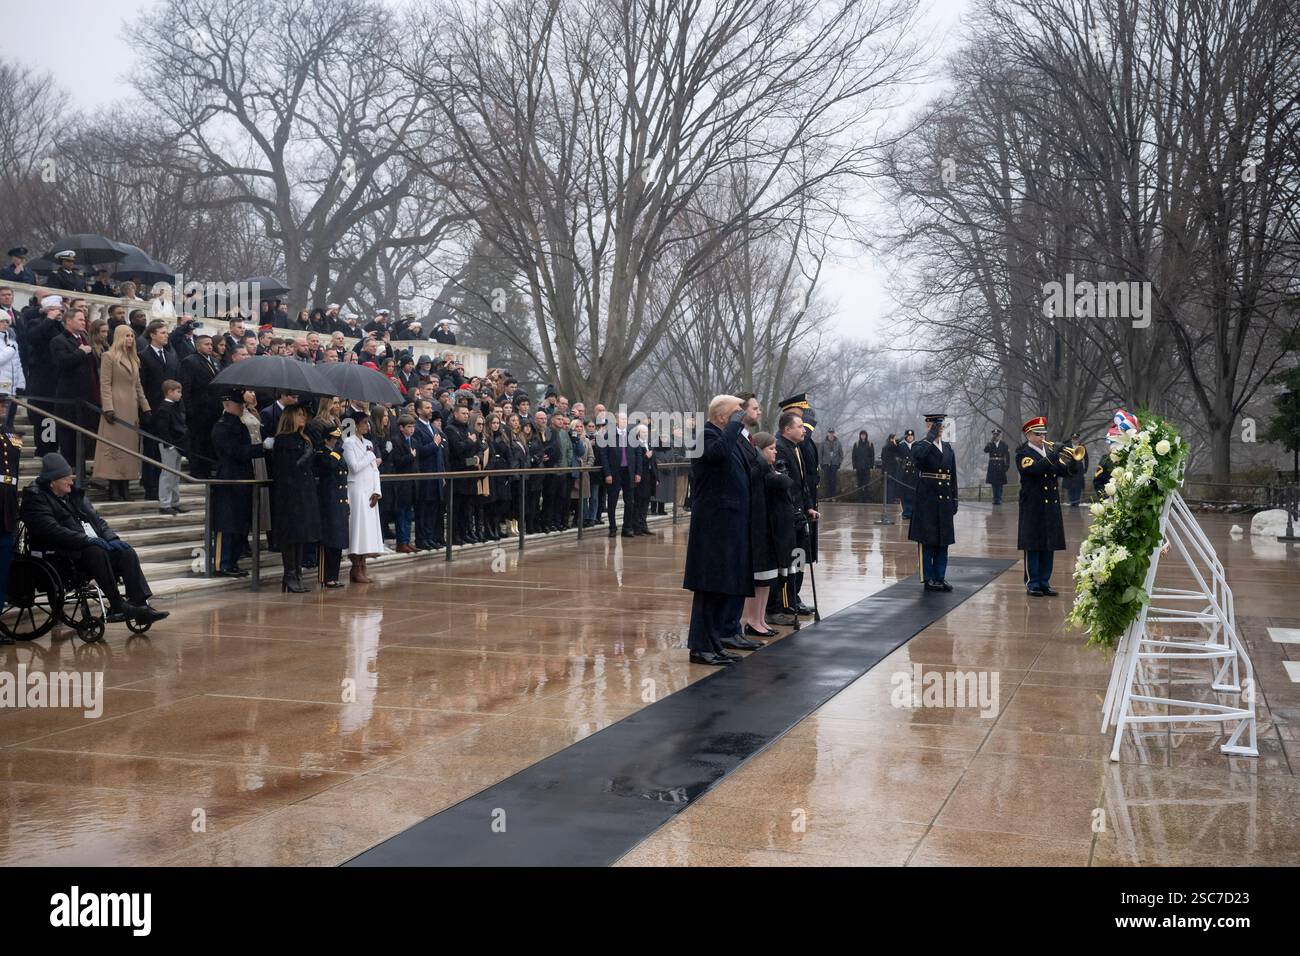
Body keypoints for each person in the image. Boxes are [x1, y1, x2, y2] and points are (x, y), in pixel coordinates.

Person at [19, 453, 168, 625]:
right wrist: (84, 540)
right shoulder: (36, 497)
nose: (71, 482)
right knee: (95, 551)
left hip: (87, 548)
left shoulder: (74, 495)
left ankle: (140, 605)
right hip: (61, 553)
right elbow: (52, 530)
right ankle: (117, 604)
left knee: (126, 552)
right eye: (66, 478)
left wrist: (111, 538)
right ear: (53, 481)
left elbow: (98, 521)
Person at [682, 395, 751, 666]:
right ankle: (700, 647)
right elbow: (717, 455)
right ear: (722, 416)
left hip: (728, 524)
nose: (741, 418)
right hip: (712, 526)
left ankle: (714, 643)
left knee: (721, 587)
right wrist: (735, 426)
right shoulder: (705, 436)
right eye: (736, 413)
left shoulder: (724, 436)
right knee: (709, 588)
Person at [1016, 416, 1078, 596]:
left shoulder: (1048, 452)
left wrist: (1074, 460)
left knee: (1048, 544)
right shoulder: (1023, 453)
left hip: (1050, 506)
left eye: (1043, 433)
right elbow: (1033, 470)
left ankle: (1044, 581)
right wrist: (1053, 455)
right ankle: (1032, 582)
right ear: (1028, 435)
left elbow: (1065, 473)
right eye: (1038, 434)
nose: (1042, 437)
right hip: (1033, 506)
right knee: (1033, 544)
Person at [211, 389, 267, 576]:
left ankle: (233, 561)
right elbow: (234, 451)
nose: (242, 406)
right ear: (227, 405)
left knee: (240, 524)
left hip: (243, 478)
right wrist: (261, 448)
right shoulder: (222, 426)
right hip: (229, 479)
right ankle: (222, 563)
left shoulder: (239, 424)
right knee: (227, 524)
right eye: (238, 403)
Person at [269, 405, 321, 592]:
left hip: (304, 490)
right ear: (290, 417)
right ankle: (289, 574)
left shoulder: (304, 437)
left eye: (304, 415)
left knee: (301, 534)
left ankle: (297, 573)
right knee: (290, 534)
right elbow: (284, 467)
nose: (303, 418)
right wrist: (303, 458)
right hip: (289, 492)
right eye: (299, 415)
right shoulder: (283, 440)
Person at [96, 325, 151, 501]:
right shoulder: (108, 356)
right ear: (119, 337)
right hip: (116, 406)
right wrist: (108, 408)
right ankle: (114, 486)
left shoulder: (134, 359)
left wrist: (146, 407)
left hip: (131, 408)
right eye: (127, 336)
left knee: (129, 449)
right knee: (114, 447)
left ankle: (125, 485)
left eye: (132, 336)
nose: (130, 339)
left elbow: (138, 385)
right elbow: (104, 384)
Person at [909, 413, 958, 591]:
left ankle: (940, 576)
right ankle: (928, 578)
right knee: (927, 541)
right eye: (935, 425)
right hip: (927, 499)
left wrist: (955, 498)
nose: (940, 428)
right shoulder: (920, 445)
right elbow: (919, 459)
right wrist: (930, 437)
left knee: (942, 542)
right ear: (928, 426)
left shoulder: (947, 448)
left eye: (941, 426)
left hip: (944, 499)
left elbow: (952, 476)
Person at [51, 307, 100, 468]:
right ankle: (70, 469)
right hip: (70, 398)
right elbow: (61, 363)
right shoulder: (59, 340)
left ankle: (80, 468)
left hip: (87, 397)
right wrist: (80, 352)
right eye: (80, 319)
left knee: (85, 436)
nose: (83, 322)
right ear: (69, 321)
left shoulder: (85, 338)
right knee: (68, 436)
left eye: (84, 319)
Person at [139, 320, 179, 501]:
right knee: (151, 450)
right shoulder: (143, 356)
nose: (166, 335)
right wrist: (145, 411)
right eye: (162, 332)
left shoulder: (171, 356)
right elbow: (142, 386)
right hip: (152, 411)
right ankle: (150, 486)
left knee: (169, 453)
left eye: (166, 332)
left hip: (170, 413)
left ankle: (167, 491)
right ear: (152, 334)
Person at [343, 412, 383, 581]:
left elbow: (375, 469)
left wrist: (377, 491)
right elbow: (354, 466)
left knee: (368, 529)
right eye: (365, 423)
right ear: (356, 424)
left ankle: (364, 562)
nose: (367, 426)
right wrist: (370, 456)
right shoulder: (348, 443)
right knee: (358, 527)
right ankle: (356, 565)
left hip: (369, 490)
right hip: (356, 489)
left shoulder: (368, 443)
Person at [179, 335, 221, 478]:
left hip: (213, 411)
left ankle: (208, 469)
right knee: (198, 442)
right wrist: (189, 410)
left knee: (210, 442)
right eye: (206, 344)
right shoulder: (190, 361)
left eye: (211, 344)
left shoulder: (215, 361)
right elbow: (186, 387)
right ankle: (197, 471)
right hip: (198, 411)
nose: (210, 346)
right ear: (198, 346)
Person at [315, 426, 349, 587]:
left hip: (339, 501)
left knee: (337, 540)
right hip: (328, 502)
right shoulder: (322, 454)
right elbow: (328, 467)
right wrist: (336, 452)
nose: (338, 441)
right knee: (328, 541)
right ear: (327, 439)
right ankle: (326, 576)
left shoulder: (337, 454)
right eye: (335, 438)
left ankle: (334, 576)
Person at [0, 393, 20, 643]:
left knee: (3, 567)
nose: (3, 407)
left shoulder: (11, 435)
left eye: (5, 404)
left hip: (6, 509)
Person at [151, 380, 188, 516]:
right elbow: (162, 429)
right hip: (169, 445)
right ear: (169, 392)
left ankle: (174, 502)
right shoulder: (164, 408)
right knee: (167, 474)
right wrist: (169, 444)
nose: (180, 395)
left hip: (177, 444)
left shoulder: (175, 406)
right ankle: (165, 503)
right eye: (178, 392)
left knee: (176, 474)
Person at [389, 415, 418, 553]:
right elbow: (397, 461)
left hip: (411, 482)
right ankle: (401, 542)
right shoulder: (396, 441)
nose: (412, 429)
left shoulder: (413, 441)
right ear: (401, 427)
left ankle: (407, 541)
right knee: (401, 513)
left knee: (408, 514)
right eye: (409, 427)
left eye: (413, 426)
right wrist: (410, 457)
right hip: (401, 483)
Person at [984, 428, 1010, 505]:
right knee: (993, 483)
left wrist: (1007, 466)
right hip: (992, 466)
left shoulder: (1004, 444)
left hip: (1001, 465)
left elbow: (1007, 456)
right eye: (994, 435)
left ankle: (999, 498)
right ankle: (995, 498)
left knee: (1000, 483)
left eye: (997, 435)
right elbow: (985, 450)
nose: (996, 436)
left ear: (999, 436)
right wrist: (989, 443)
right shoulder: (990, 444)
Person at [1063, 431, 1088, 506]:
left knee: (1078, 486)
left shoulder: (1082, 446)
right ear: (1071, 439)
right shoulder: (1067, 446)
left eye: (1076, 439)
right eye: (1073, 439)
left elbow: (1086, 458)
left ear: (1078, 439)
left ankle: (1076, 502)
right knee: (1070, 486)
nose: (1075, 440)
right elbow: (1063, 457)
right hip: (1069, 468)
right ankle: (1072, 502)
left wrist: (1085, 468)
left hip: (1079, 469)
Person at [897, 428, 918, 518]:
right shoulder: (901, 445)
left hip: (914, 472)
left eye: (911, 435)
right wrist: (900, 439)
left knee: (913, 493)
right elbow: (890, 448)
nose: (910, 437)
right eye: (908, 436)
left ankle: (912, 512)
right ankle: (906, 512)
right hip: (904, 473)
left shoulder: (917, 445)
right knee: (904, 493)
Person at [819, 428, 843, 499]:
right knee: (827, 481)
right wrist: (821, 463)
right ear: (827, 433)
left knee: (833, 481)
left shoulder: (838, 443)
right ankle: (827, 496)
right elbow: (820, 454)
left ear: (834, 433)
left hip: (834, 464)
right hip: (826, 464)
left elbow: (841, 454)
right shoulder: (823, 443)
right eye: (830, 432)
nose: (831, 434)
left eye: (832, 433)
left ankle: (833, 496)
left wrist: (839, 463)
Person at [851, 430, 874, 502]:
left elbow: (872, 456)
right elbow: (854, 456)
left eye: (864, 435)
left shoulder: (870, 444)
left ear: (866, 436)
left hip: (867, 467)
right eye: (861, 435)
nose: (863, 436)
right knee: (859, 483)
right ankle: (860, 498)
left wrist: (871, 465)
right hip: (859, 467)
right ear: (860, 436)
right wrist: (854, 466)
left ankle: (866, 498)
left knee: (867, 483)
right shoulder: (856, 444)